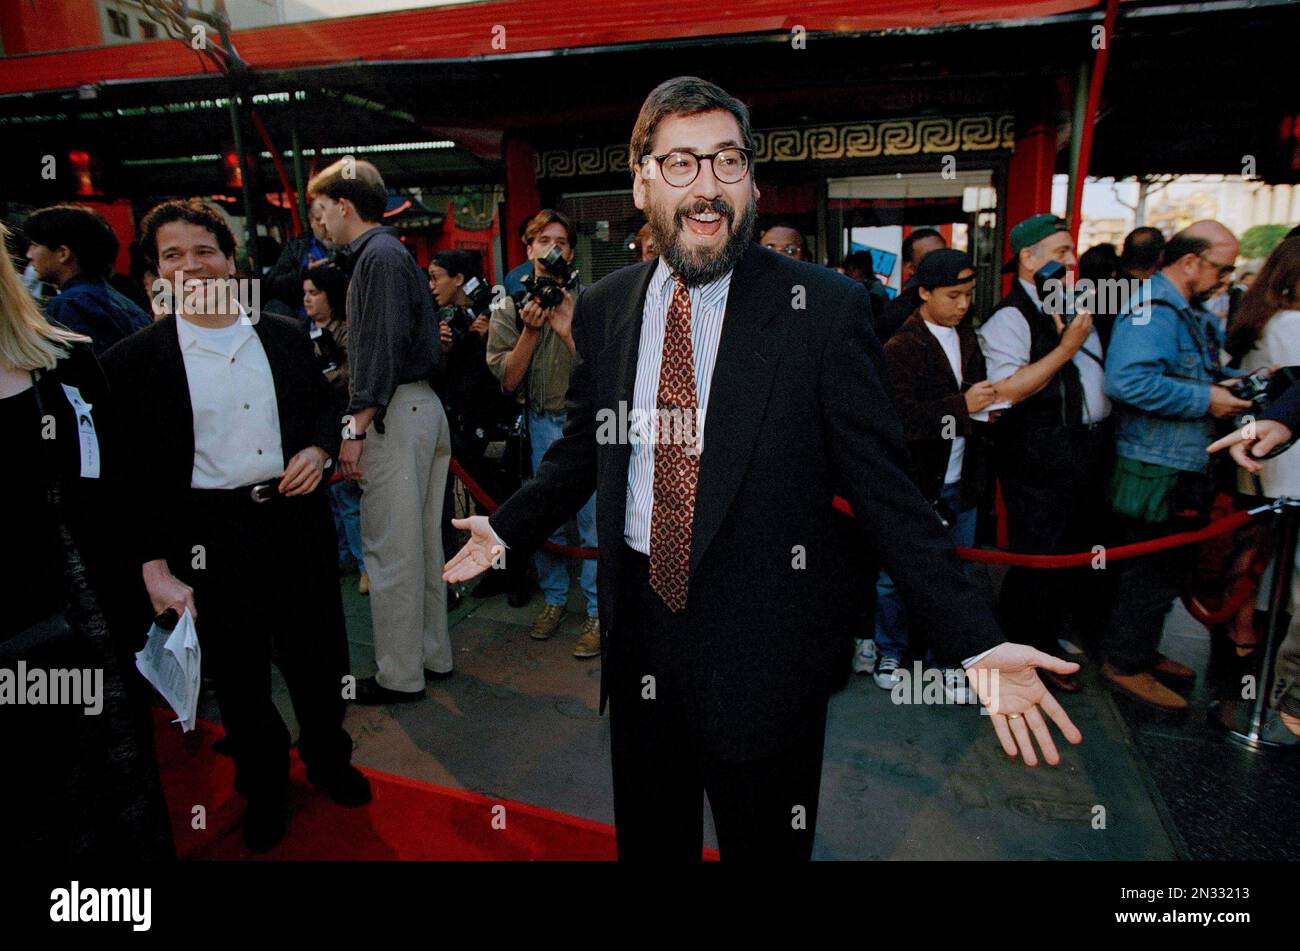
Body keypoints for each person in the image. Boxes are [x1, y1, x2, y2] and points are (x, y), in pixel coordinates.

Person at [446, 76, 1082, 860]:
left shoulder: (822, 311)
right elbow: (585, 447)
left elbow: (887, 491)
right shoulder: (609, 306)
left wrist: (977, 639)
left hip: (767, 655)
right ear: (641, 179)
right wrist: (507, 527)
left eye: (726, 161)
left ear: (750, 177)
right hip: (640, 639)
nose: (706, 186)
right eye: (680, 163)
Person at [100, 198, 369, 852]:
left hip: (293, 518)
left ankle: (330, 756)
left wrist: (318, 449)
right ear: (154, 273)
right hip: (208, 534)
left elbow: (324, 410)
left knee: (319, 654)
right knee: (239, 671)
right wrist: (150, 561)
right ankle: (265, 783)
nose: (190, 265)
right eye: (172, 255)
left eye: (203, 250)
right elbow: (126, 475)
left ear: (230, 259)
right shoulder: (133, 362)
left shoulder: (279, 334)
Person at [0, 219, 174, 862]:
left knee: (108, 779)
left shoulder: (64, 356)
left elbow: (119, 479)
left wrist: (153, 565)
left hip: (84, 610)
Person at [310, 158, 452, 703]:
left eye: (320, 212)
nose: (318, 224)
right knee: (419, 546)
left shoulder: (376, 258)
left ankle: (399, 674)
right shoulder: (391, 255)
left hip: (393, 415)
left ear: (343, 206)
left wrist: (354, 425)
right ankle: (431, 656)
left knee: (392, 553)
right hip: (417, 411)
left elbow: (378, 349)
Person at [1103, 220, 1250, 710]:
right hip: (1153, 463)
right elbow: (1127, 382)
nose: (1226, 279)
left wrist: (1233, 383)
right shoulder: (1152, 309)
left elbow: (1189, 372)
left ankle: (1140, 652)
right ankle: (1125, 662)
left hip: (1177, 461)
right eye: (1222, 268)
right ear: (1190, 262)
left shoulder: (1186, 311)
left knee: (1166, 569)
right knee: (1149, 568)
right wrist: (1206, 399)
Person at [977, 213, 1111, 692]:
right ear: (1028, 259)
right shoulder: (1009, 318)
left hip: (1087, 448)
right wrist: (1065, 347)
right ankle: (1027, 650)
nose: (1070, 261)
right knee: (1038, 556)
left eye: (1072, 252)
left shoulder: (1074, 303)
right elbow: (1007, 391)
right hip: (1038, 456)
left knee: (1073, 549)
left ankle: (1052, 636)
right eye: (1059, 253)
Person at [874, 250, 998, 696]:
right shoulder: (902, 345)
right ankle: (891, 650)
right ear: (924, 293)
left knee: (957, 575)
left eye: (968, 294)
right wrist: (963, 407)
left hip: (961, 477)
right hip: (918, 481)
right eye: (953, 295)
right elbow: (898, 420)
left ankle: (945, 660)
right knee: (896, 575)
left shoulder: (967, 338)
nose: (963, 304)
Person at [487, 209, 601, 658]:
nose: (551, 249)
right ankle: (554, 601)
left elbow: (603, 368)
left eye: (560, 241)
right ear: (528, 248)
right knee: (544, 518)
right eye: (542, 240)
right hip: (539, 422)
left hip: (586, 424)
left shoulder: (591, 300)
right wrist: (531, 331)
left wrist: (566, 326)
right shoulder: (506, 304)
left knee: (593, 524)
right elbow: (508, 380)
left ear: (570, 252)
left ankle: (596, 612)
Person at [430, 248, 531, 608]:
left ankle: (519, 575)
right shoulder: (447, 319)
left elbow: (507, 365)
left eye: (435, 277)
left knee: (505, 499)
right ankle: (497, 571)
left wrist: (489, 335)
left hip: (496, 422)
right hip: (464, 422)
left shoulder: (497, 306)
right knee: (482, 500)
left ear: (458, 279)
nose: (431, 285)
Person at [302, 262, 367, 591]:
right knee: (332, 497)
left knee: (350, 497)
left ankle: (363, 562)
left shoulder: (347, 330)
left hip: (346, 418)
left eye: (315, 292)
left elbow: (350, 375)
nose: (308, 300)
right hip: (316, 427)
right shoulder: (299, 332)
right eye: (305, 293)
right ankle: (342, 555)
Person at [23, 204, 150, 353]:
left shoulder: (68, 304)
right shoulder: (119, 299)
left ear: (63, 253)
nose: (29, 254)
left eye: (35, 245)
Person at [265, 201, 334, 323]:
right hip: (304, 322)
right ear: (311, 221)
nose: (326, 225)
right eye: (319, 220)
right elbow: (273, 286)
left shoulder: (348, 244)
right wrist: (304, 274)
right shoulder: (298, 249)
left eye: (330, 220)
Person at [876, 227, 947, 343]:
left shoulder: (960, 302)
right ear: (910, 268)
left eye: (945, 254)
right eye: (931, 258)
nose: (942, 262)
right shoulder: (897, 314)